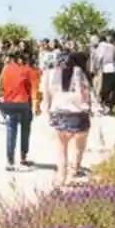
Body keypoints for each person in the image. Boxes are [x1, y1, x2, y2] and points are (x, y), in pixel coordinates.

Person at [46, 52, 93, 187]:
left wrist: (48, 109)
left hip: (60, 112)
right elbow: (85, 93)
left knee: (61, 149)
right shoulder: (81, 73)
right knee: (79, 148)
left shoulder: (55, 72)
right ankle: (74, 172)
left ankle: (61, 176)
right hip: (79, 114)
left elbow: (49, 91)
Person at [0, 48, 39, 171]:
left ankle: (10, 161)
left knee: (11, 131)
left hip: (8, 103)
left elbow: (0, 85)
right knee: (25, 131)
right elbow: (34, 90)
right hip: (24, 104)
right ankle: (23, 157)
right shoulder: (28, 70)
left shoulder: (6, 69)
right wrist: (36, 105)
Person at [92, 31, 115, 114]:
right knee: (112, 89)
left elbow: (101, 57)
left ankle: (108, 106)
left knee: (109, 89)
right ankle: (108, 106)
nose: (107, 38)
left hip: (112, 69)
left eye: (108, 37)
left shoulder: (112, 46)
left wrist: (97, 67)